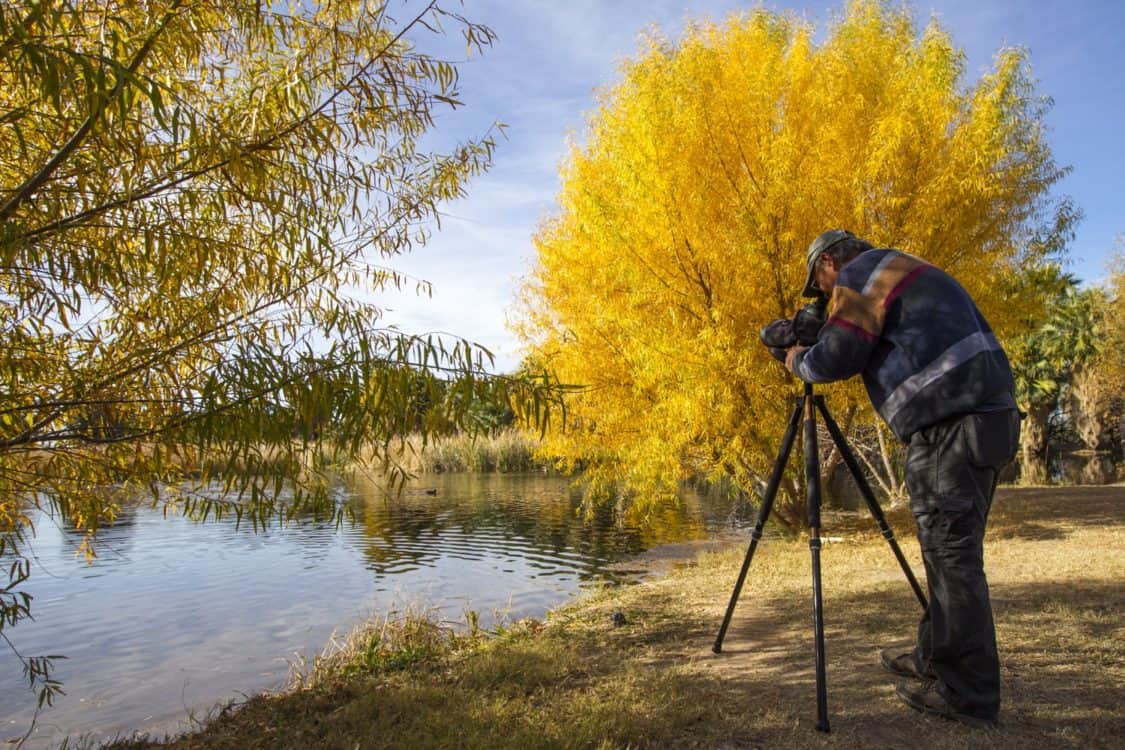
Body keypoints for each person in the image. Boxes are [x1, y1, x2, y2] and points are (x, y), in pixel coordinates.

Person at [784, 229, 1021, 729]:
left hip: (951, 426)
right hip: (987, 418)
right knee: (949, 551)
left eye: (820, 286)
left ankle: (969, 695)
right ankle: (935, 656)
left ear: (828, 263)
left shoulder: (859, 274)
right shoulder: (902, 267)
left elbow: (837, 357)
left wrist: (796, 359)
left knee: (952, 558)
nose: (825, 296)